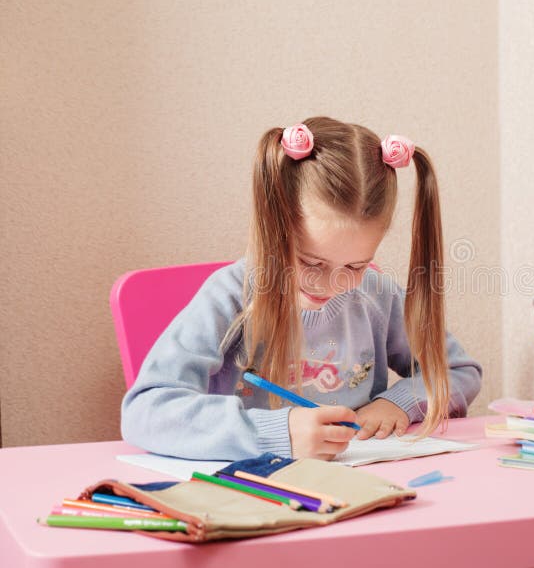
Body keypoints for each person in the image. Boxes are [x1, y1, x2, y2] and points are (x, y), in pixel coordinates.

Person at [121, 116, 482, 461]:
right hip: (255, 493)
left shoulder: (376, 295)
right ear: (274, 227)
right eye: (312, 263)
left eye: (355, 266)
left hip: (358, 487)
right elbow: (145, 411)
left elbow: (457, 370)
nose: (331, 283)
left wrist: (398, 402)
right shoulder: (229, 295)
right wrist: (276, 432)